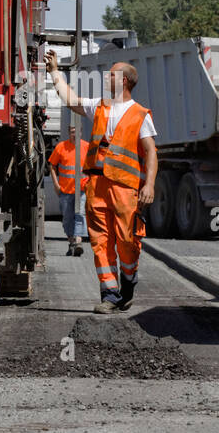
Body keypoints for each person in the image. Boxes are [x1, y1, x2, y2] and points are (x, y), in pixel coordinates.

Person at [45, 51, 158, 313]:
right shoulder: (100, 105)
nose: (107, 78)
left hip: (124, 189)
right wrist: (54, 72)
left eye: (112, 74)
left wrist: (149, 185)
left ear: (126, 81)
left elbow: (151, 151)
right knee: (100, 241)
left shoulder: (140, 114)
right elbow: (71, 100)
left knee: (127, 241)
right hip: (97, 187)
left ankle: (128, 280)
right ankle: (109, 294)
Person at [48, 123, 90, 256]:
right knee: (67, 218)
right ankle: (71, 242)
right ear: (69, 133)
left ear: (81, 132)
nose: (74, 134)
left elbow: (92, 167)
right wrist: (56, 184)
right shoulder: (61, 147)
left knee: (80, 215)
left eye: (77, 131)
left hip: (81, 190)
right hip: (65, 191)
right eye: (72, 131)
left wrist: (90, 184)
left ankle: (78, 242)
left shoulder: (86, 147)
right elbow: (52, 166)